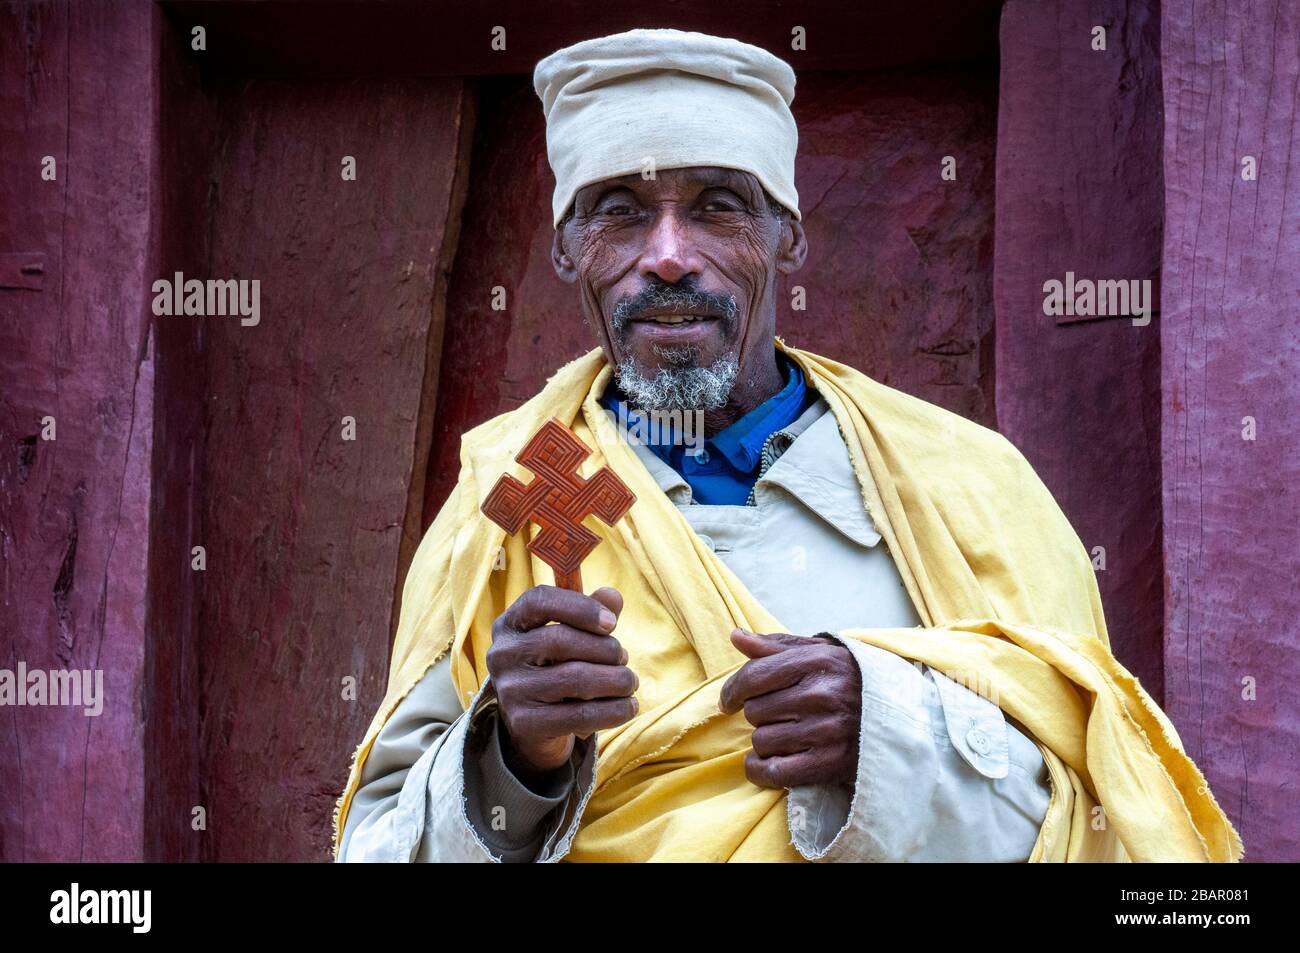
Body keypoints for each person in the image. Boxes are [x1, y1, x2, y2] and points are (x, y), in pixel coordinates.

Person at [334, 28, 1240, 863]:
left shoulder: (963, 484)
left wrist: (883, 738)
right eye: (618, 212)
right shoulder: (515, 495)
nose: (670, 256)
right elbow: (372, 847)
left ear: (788, 237)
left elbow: (1099, 815)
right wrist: (509, 760)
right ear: (569, 250)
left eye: (719, 207)